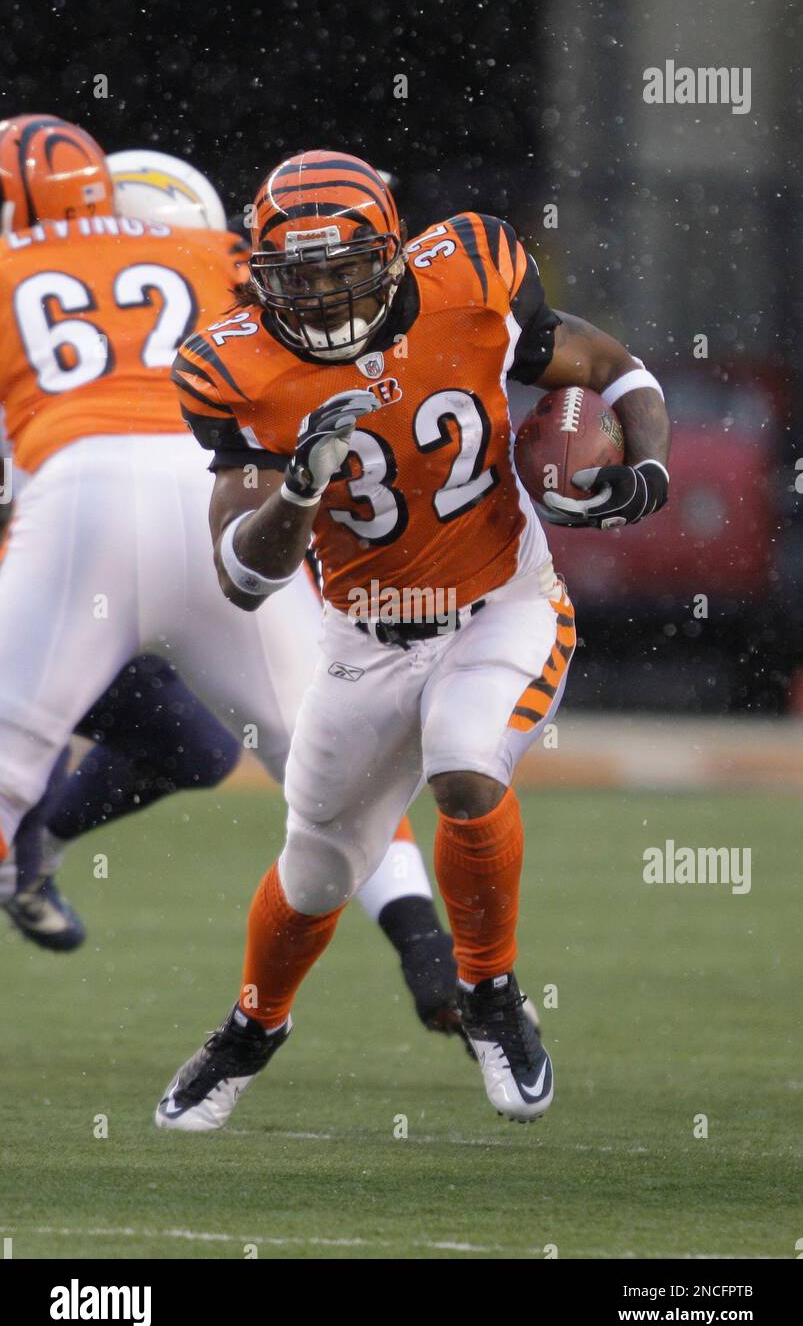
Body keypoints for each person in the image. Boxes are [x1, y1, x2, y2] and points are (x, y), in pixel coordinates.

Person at [156, 149, 671, 1130]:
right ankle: (252, 1029)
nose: (319, 293)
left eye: (341, 266)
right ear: (259, 277)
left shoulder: (470, 275)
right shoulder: (232, 365)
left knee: (465, 765)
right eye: (296, 275)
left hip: (500, 605)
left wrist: (643, 466)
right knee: (314, 868)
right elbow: (243, 574)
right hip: (361, 637)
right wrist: (301, 489)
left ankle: (490, 995)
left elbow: (611, 368)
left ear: (390, 253)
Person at [0, 124, 462, 1036]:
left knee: (18, 762)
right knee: (325, 764)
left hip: (77, 497)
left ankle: (32, 856)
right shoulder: (203, 251)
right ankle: (429, 954)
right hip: (206, 494)